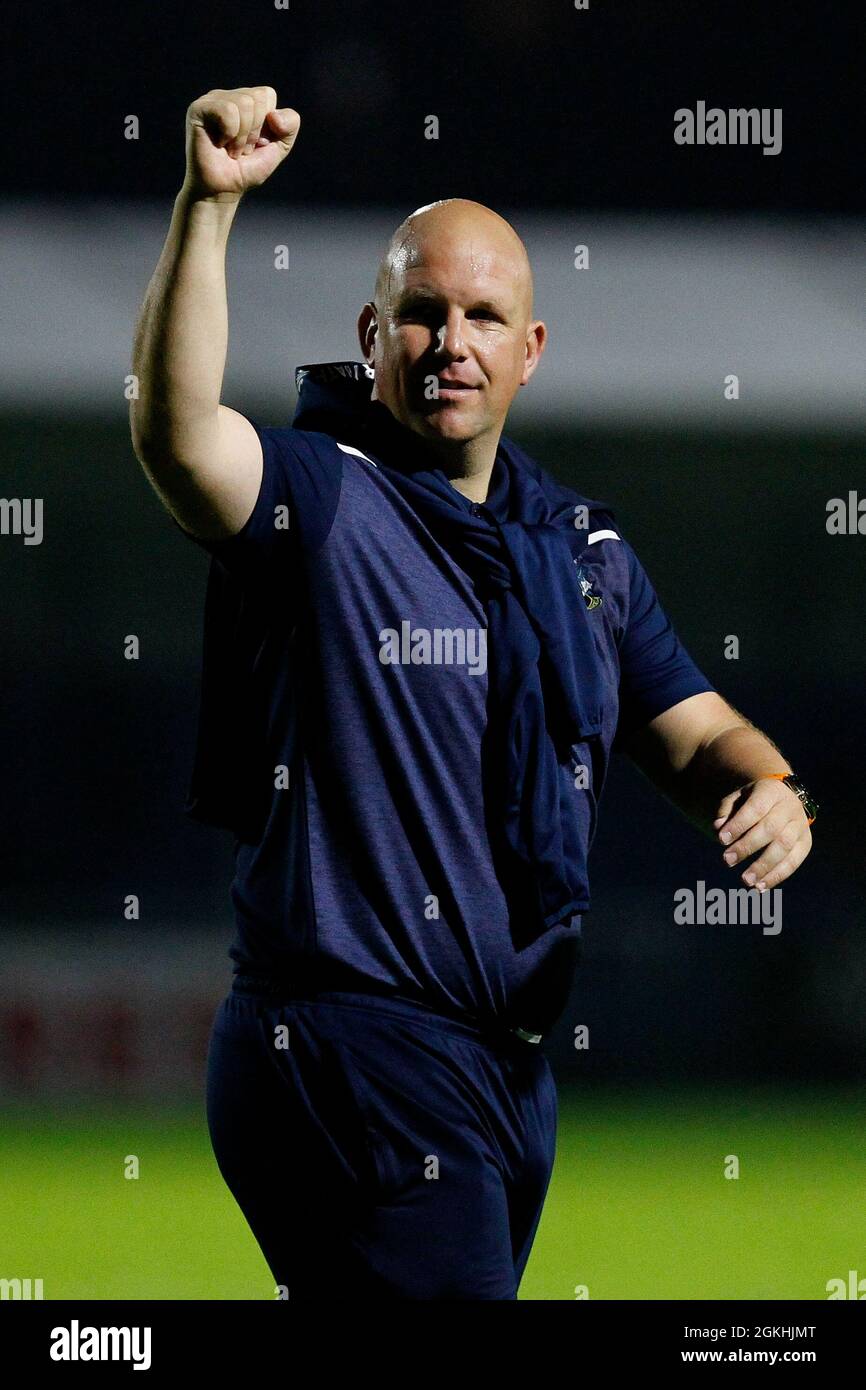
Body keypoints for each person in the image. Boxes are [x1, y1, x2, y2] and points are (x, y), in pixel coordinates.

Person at [129, 87, 817, 1300]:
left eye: (483, 317)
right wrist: (208, 206)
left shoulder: (578, 553)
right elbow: (179, 434)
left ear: (529, 350)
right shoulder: (321, 498)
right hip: (350, 1042)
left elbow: (697, 730)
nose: (451, 341)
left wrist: (766, 785)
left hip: (500, 1069)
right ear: (372, 332)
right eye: (421, 315)